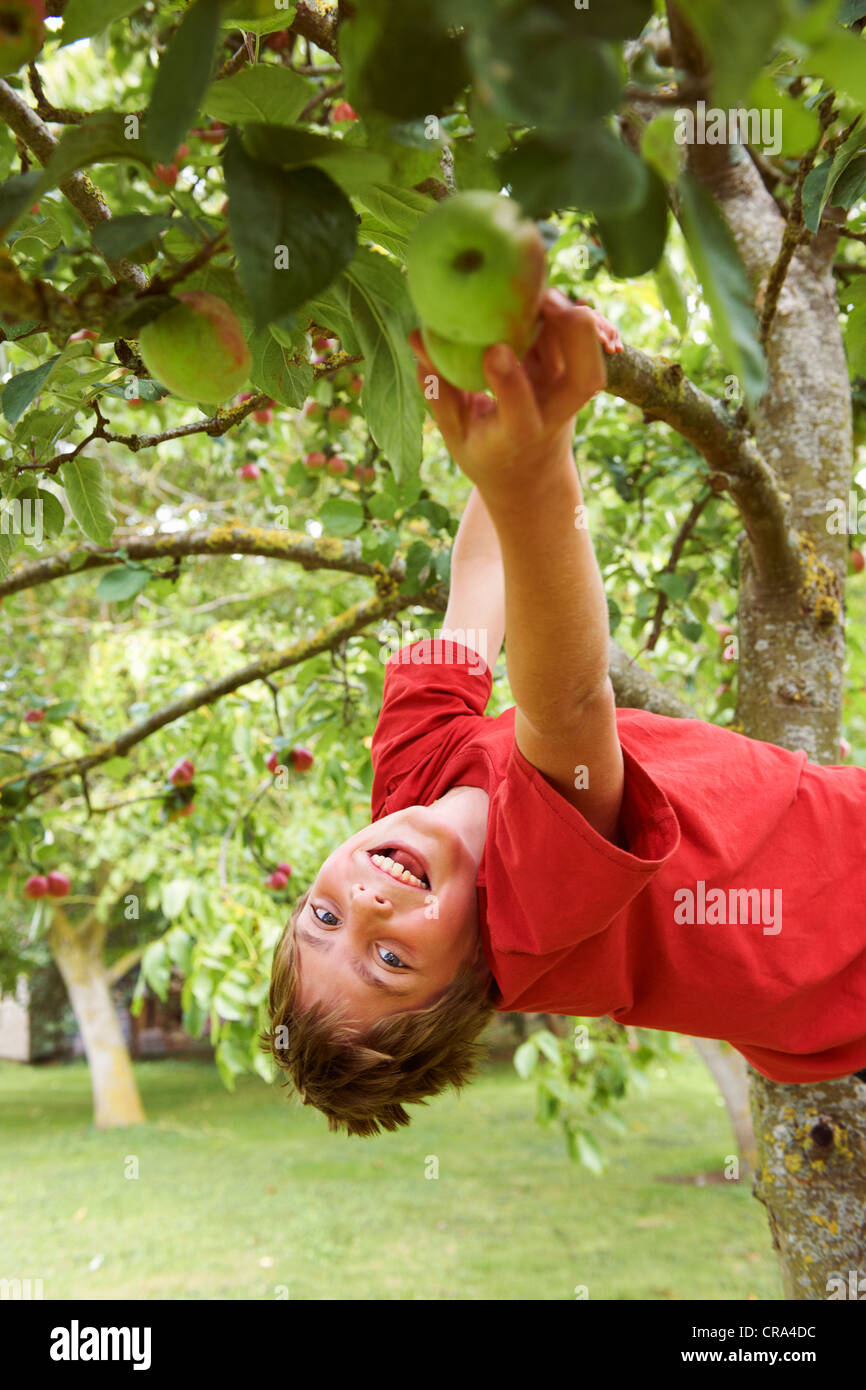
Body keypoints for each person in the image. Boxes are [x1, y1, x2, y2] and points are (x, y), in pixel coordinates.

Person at [263, 289, 866, 1137]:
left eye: (322, 920)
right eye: (390, 960)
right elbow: (568, 699)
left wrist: (528, 414)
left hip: (794, 951)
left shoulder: (407, 782)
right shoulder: (530, 913)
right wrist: (534, 468)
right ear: (476, 973)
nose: (364, 906)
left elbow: (478, 591)